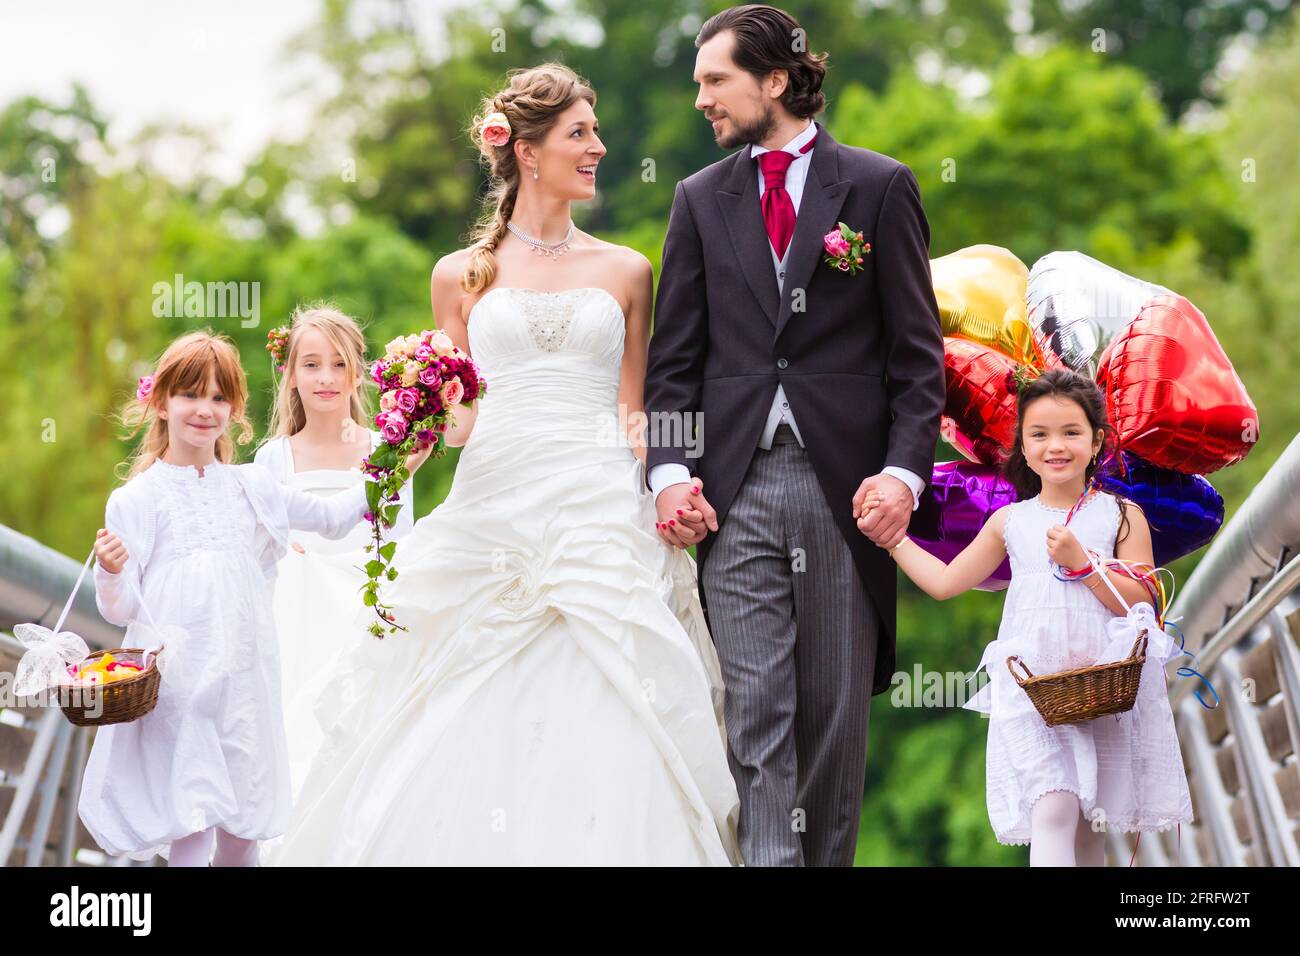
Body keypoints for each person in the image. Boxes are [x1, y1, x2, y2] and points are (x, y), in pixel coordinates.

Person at [274, 63, 741, 866]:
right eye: (580, 133)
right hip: (492, 503)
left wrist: (672, 485)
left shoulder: (628, 270)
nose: (598, 146)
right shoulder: (459, 277)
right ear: (526, 150)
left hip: (599, 506)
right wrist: (412, 419)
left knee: (613, 701)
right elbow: (460, 428)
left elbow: (637, 414)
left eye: (593, 130)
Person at [644, 4, 946, 865]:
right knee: (756, 713)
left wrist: (903, 477)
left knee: (832, 723)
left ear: (774, 80)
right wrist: (668, 472)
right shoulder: (699, 201)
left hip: (847, 493)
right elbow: (674, 363)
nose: (701, 98)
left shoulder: (881, 186)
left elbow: (918, 363)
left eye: (714, 80)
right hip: (733, 494)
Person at [82, 330, 432, 866]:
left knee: (244, 836)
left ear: (236, 410)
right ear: (160, 402)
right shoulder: (136, 500)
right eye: (191, 395)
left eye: (220, 398)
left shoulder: (251, 487)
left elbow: (336, 518)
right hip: (183, 689)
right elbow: (123, 610)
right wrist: (110, 572)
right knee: (193, 825)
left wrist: (397, 467)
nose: (205, 410)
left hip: (246, 685)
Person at [875, 367, 1194, 865]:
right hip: (1033, 688)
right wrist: (894, 541)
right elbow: (944, 583)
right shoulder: (1011, 522)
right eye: (1039, 434)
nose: (1056, 446)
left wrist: (1084, 565)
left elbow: (1144, 601)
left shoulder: (1121, 515)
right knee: (1054, 806)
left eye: (1071, 432)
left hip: (1104, 686)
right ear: (1022, 448)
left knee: (1092, 823)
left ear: (1097, 442)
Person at [252, 304, 414, 811]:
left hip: (363, 618)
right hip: (294, 624)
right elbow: (263, 550)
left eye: (339, 364)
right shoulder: (272, 459)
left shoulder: (388, 447)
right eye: (312, 364)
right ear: (291, 374)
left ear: (358, 372)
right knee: (295, 744)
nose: (326, 378)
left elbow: (399, 542)